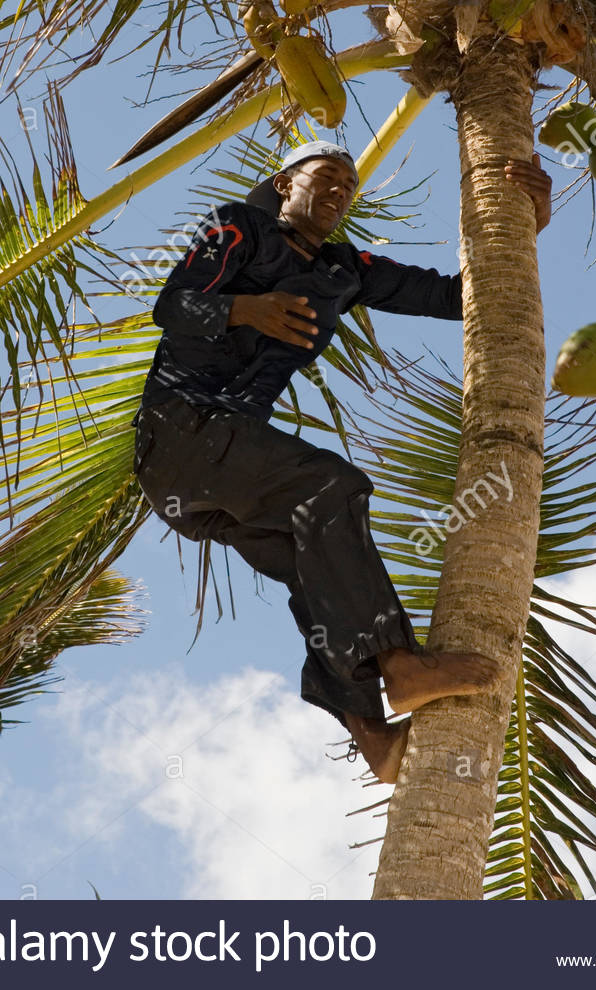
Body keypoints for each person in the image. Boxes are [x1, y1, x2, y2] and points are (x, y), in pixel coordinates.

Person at [133, 141, 552, 783]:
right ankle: (400, 667)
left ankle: (373, 737)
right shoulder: (236, 226)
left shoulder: (344, 270)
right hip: (182, 433)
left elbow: (460, 298)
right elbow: (174, 307)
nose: (338, 192)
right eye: (325, 178)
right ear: (283, 184)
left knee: (317, 568)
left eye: (348, 188)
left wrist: (525, 219)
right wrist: (248, 309)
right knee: (332, 487)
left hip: (211, 475)